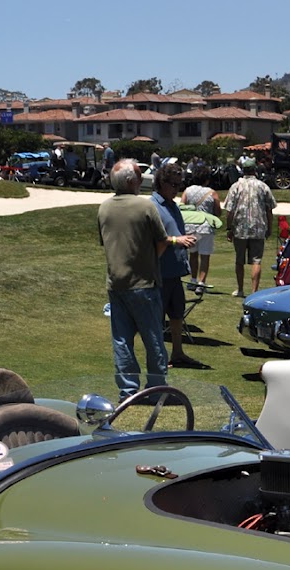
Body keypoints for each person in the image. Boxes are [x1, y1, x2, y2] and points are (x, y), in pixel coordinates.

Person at [98, 158, 183, 398]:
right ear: (131, 180)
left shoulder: (104, 208)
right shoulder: (145, 207)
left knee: (122, 340)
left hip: (116, 283)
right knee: (153, 338)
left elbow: (105, 242)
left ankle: (127, 390)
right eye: (137, 175)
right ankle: (156, 389)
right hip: (144, 283)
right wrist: (150, 262)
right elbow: (162, 240)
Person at [149, 164, 206, 370]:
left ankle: (177, 352)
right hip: (160, 272)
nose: (177, 189)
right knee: (157, 317)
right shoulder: (152, 206)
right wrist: (177, 240)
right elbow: (154, 239)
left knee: (176, 315)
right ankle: (158, 357)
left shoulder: (172, 205)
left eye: (179, 185)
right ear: (162, 183)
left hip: (174, 272)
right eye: (173, 185)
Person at [222, 157, 277, 296]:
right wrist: (270, 228)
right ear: (255, 170)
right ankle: (254, 291)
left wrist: (229, 228)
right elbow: (269, 210)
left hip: (239, 228)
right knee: (256, 261)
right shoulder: (262, 186)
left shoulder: (236, 186)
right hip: (258, 228)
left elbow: (229, 210)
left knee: (239, 261)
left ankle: (240, 289)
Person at [181, 180, 222, 285]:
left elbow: (182, 206)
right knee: (205, 256)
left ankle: (193, 280)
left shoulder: (187, 190)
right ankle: (201, 282)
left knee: (193, 254)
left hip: (190, 225)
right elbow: (218, 211)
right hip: (205, 226)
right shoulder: (211, 192)